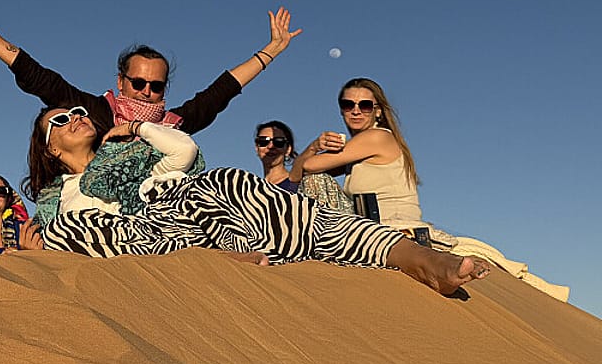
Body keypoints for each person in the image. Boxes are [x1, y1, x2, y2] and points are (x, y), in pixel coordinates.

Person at [25, 105, 490, 295]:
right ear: (50, 147)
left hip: (186, 204)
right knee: (66, 233)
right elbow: (92, 240)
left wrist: (135, 130)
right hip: (150, 239)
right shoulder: (61, 201)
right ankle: (226, 257)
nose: (77, 118)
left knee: (251, 191)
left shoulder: (138, 160)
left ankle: (415, 258)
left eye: (82, 112)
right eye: (62, 119)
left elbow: (183, 151)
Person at [0, 0, 301, 134]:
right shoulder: (94, 113)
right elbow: (36, 76)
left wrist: (271, 49)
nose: (147, 91)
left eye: (156, 85)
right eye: (138, 82)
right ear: (121, 81)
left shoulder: (176, 123)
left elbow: (222, 90)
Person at [291, 78, 426, 230]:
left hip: (390, 225)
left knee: (315, 179)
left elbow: (309, 166)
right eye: (348, 105)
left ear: (378, 111)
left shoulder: (377, 137)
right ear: (342, 110)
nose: (356, 111)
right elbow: (296, 176)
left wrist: (314, 148)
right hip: (367, 223)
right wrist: (313, 147)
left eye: (365, 105)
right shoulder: (356, 151)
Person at [254, 120, 299, 193]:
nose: (270, 146)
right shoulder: (253, 191)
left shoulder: (298, 184)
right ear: (257, 148)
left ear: (288, 149)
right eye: (263, 141)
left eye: (278, 142)